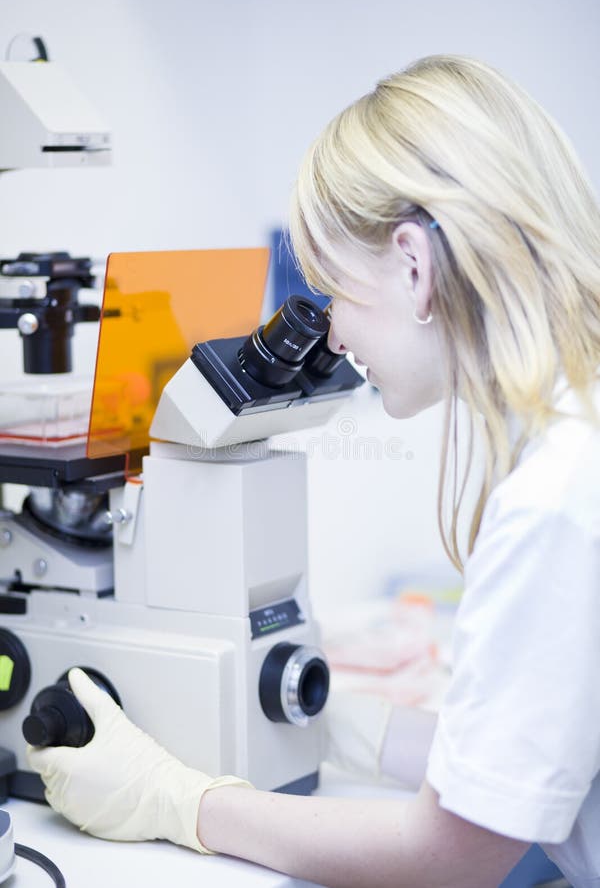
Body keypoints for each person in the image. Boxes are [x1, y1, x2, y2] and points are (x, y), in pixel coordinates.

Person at [28, 54, 600, 887]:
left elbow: (450, 857)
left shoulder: (557, 498)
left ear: (414, 265)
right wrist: (342, 727)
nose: (331, 337)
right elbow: (542, 754)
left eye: (334, 291)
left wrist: (178, 799)